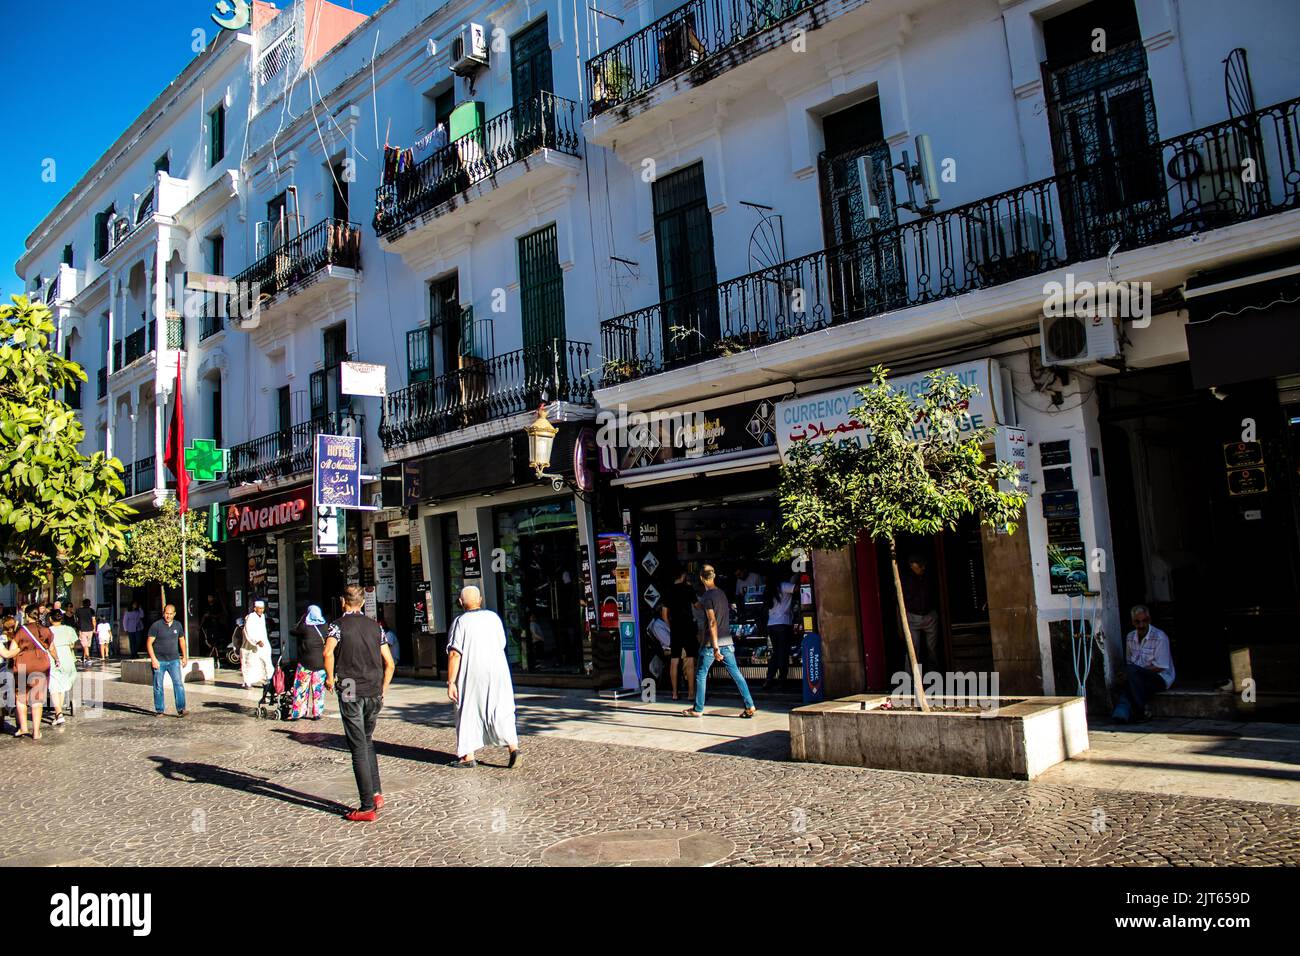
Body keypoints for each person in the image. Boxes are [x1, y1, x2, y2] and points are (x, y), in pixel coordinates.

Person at [324, 585, 395, 822]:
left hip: (350, 688)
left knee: (357, 747)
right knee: (367, 740)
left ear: (344, 602)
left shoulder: (337, 626)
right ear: (363, 603)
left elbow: (328, 652)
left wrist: (330, 678)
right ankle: (376, 793)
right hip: (373, 689)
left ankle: (366, 806)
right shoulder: (376, 627)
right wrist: (383, 688)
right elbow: (390, 663)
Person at [445, 586, 520, 769]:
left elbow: (455, 653)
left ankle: (467, 755)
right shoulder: (494, 618)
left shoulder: (460, 622)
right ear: (480, 600)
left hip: (471, 673)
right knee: (501, 707)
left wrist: (451, 682)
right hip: (497, 671)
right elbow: (502, 643)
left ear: (461, 602)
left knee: (467, 709)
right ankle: (513, 747)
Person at [685, 565, 757, 719]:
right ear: (714, 576)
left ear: (701, 578)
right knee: (736, 673)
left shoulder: (707, 597)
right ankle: (750, 704)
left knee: (701, 674)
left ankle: (698, 709)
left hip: (712, 644)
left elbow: (712, 622)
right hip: (727, 641)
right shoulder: (722, 594)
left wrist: (715, 647)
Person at [1113, 605, 1175, 723]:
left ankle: (1139, 710)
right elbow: (1129, 661)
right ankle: (1124, 713)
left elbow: (1160, 667)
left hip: (1160, 677)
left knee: (1132, 674)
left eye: (1144, 621)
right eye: (1137, 622)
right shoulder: (1130, 637)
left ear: (1149, 620)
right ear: (1132, 622)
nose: (1141, 625)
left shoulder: (1160, 637)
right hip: (1137, 676)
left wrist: (1135, 673)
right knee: (1129, 677)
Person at [2, 612, 53, 739]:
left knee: (21, 697)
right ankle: (36, 732)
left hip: (23, 665)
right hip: (41, 664)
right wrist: (56, 659)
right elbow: (51, 648)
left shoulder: (21, 631)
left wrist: (21, 649)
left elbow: (10, 652)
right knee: (37, 699)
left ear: (27, 616)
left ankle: (23, 728)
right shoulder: (45, 630)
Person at [901, 553, 942, 674]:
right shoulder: (905, 580)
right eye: (919, 565)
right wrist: (900, 625)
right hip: (912, 616)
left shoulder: (928, 577)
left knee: (932, 649)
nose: (922, 568)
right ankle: (912, 679)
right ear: (912, 565)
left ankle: (934, 676)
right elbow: (899, 603)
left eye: (923, 565)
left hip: (929, 615)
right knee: (913, 650)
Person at [662, 567, 698, 701]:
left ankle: (675, 693)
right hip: (688, 627)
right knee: (689, 659)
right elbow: (697, 605)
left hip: (676, 628)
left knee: (674, 661)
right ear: (683, 576)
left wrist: (671, 626)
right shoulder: (688, 589)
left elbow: (664, 615)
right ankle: (690, 693)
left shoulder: (668, 591)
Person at [148, 604, 188, 717]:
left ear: (174, 614)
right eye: (166, 613)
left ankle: (181, 709)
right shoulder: (156, 626)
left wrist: (184, 656)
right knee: (158, 686)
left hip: (174, 660)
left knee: (178, 684)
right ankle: (159, 710)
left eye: (170, 614)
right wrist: (153, 659)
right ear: (163, 613)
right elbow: (149, 643)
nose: (168, 616)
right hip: (159, 661)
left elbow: (182, 641)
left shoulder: (178, 625)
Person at [289, 605, 329, 721]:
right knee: (318, 690)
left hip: (305, 663)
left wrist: (302, 619)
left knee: (301, 688)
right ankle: (317, 713)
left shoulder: (304, 627)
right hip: (320, 664)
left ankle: (298, 713)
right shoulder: (325, 626)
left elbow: (292, 630)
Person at [762, 573, 798, 691]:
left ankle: (769, 679)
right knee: (783, 653)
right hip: (783, 623)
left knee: (776, 653)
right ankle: (782, 681)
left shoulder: (768, 590)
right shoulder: (783, 586)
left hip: (771, 624)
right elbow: (798, 589)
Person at [47, 610, 78, 727]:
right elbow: (73, 644)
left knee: (54, 687)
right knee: (63, 685)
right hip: (68, 658)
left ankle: (59, 714)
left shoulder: (48, 630)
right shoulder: (69, 629)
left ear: (50, 619)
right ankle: (58, 713)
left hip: (54, 658)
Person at [240, 600, 274, 690]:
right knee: (250, 663)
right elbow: (248, 631)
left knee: (266, 662)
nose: (261, 610)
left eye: (262, 608)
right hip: (252, 645)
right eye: (259, 608)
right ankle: (247, 683)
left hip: (263, 644)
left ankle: (268, 680)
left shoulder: (262, 616)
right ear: (255, 608)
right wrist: (256, 641)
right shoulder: (251, 617)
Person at [73, 599, 97, 667]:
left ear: (83, 604)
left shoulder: (78, 610)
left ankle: (87, 657)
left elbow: (76, 619)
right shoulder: (91, 610)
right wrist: (94, 629)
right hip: (90, 629)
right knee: (87, 645)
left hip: (82, 629)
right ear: (89, 604)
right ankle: (86, 657)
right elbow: (94, 620)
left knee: (85, 645)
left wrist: (78, 626)